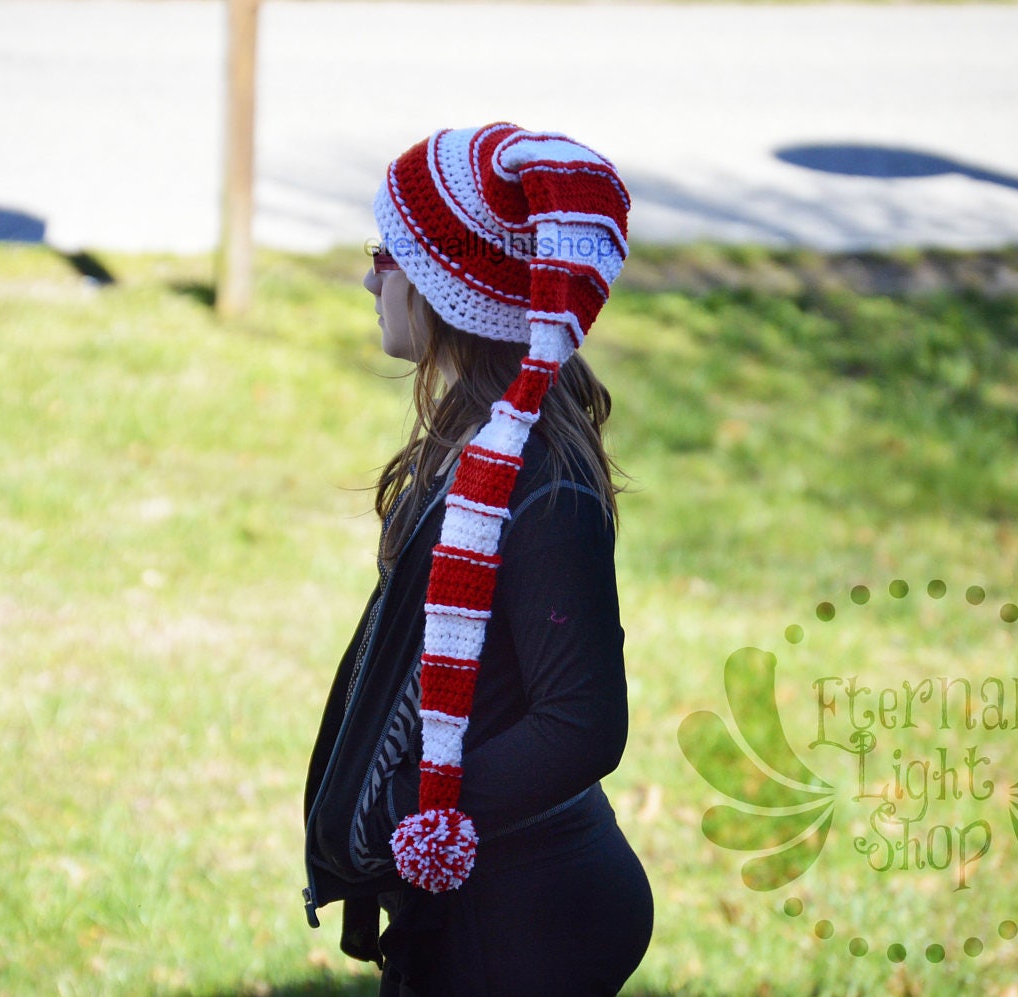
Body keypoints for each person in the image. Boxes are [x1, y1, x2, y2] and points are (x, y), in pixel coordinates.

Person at [303, 123, 653, 996]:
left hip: (526, 922)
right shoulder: (473, 440)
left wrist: (414, 812)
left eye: (387, 254)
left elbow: (582, 723)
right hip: (478, 907)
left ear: (447, 287)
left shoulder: (544, 487)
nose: (368, 276)